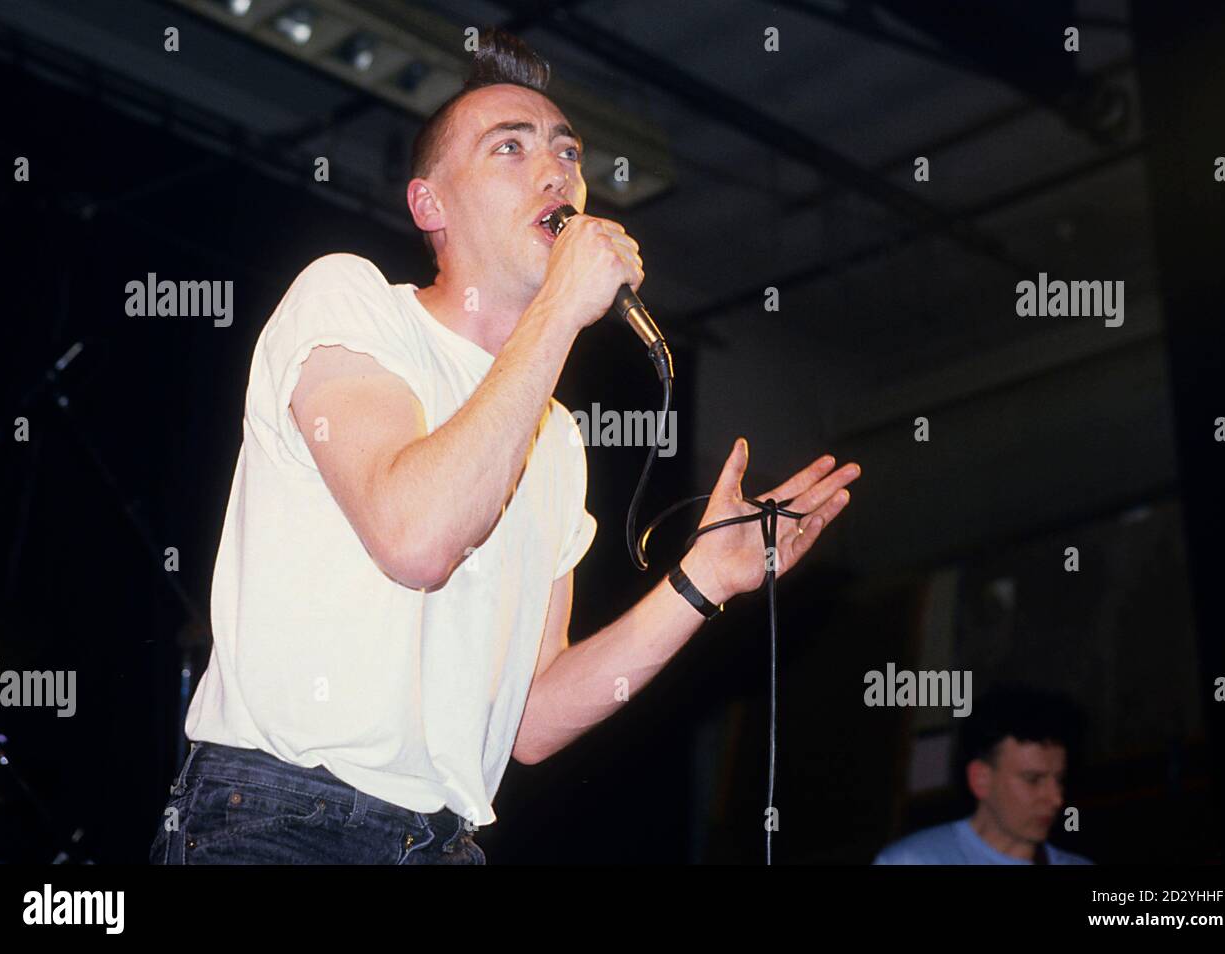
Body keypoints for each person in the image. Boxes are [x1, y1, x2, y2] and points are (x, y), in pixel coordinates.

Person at [149, 27, 861, 865]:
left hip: (448, 844)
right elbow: (415, 538)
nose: (555, 171)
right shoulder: (349, 302)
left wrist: (701, 582)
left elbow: (528, 721)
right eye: (509, 149)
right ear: (430, 206)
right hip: (282, 820)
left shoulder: (555, 439)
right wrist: (560, 310)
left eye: (567, 153)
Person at [874, 686, 1092, 865]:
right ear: (981, 779)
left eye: (1059, 780)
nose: (1056, 799)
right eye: (1033, 780)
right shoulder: (912, 862)